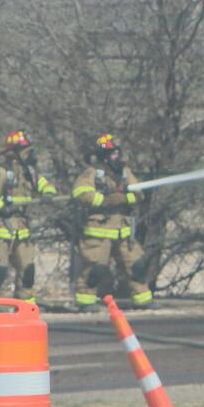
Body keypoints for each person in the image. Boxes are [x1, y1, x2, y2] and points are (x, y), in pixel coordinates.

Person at [71, 133, 154, 310]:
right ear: (104, 156)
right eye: (114, 153)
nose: (118, 156)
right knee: (96, 268)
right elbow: (80, 193)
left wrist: (122, 198)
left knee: (137, 265)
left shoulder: (125, 172)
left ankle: (143, 300)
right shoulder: (92, 173)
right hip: (99, 229)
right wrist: (104, 200)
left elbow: (139, 194)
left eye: (118, 152)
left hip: (123, 229)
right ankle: (85, 301)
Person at [0, 130, 57, 301]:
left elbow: (45, 185)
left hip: (22, 228)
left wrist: (48, 194)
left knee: (27, 269)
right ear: (14, 153)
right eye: (26, 151)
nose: (30, 154)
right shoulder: (1, 172)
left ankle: (26, 305)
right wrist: (2, 208)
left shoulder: (30, 173)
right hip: (0, 227)